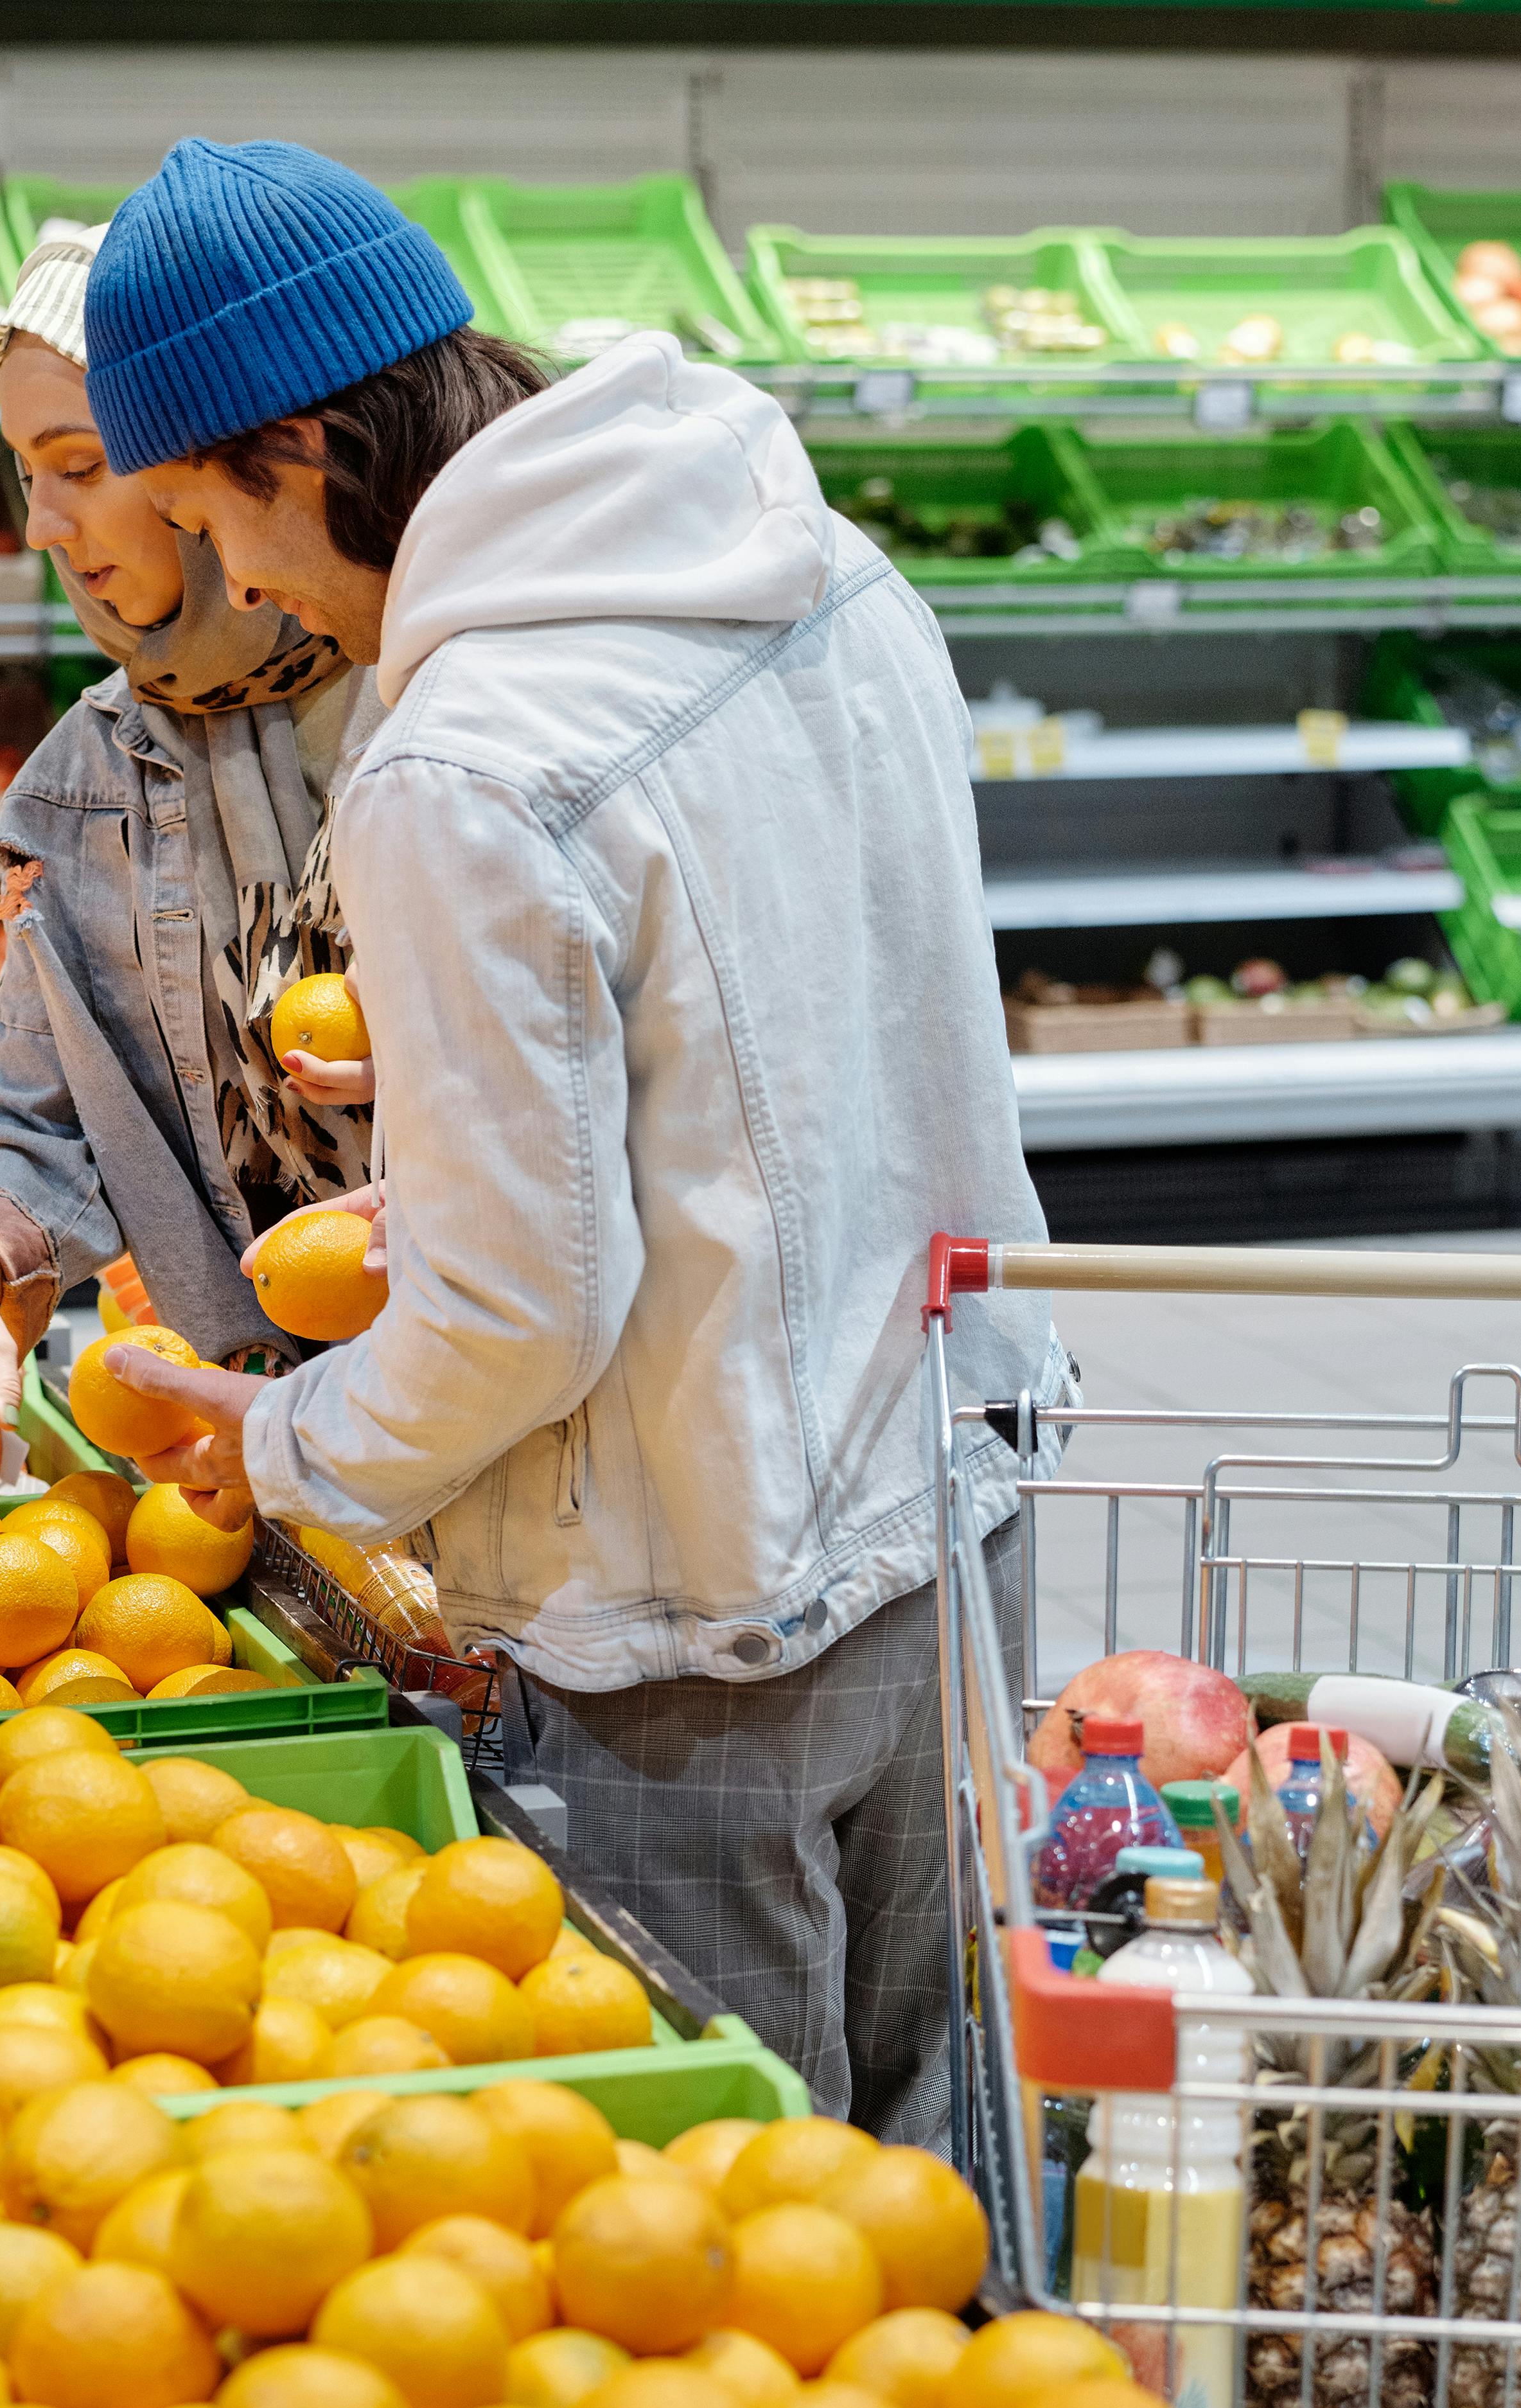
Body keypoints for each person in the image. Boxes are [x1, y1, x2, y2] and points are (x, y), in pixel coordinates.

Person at [87, 140, 1067, 2145]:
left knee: (731, 2254)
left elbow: (526, 1312)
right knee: (935, 2199)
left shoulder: (459, 760)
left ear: (299, 441)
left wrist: (274, 1440)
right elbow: (798, 1036)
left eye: (203, 516)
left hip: (697, 1613)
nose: (236, 588)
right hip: (952, 1506)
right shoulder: (821, 565)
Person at [0, 219, 382, 1484]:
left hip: (517, 1413)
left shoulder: (431, 693)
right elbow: (38, 1101)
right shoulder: (71, 798)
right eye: (24, 474)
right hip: (259, 1459)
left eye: (80, 464)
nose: (43, 525)